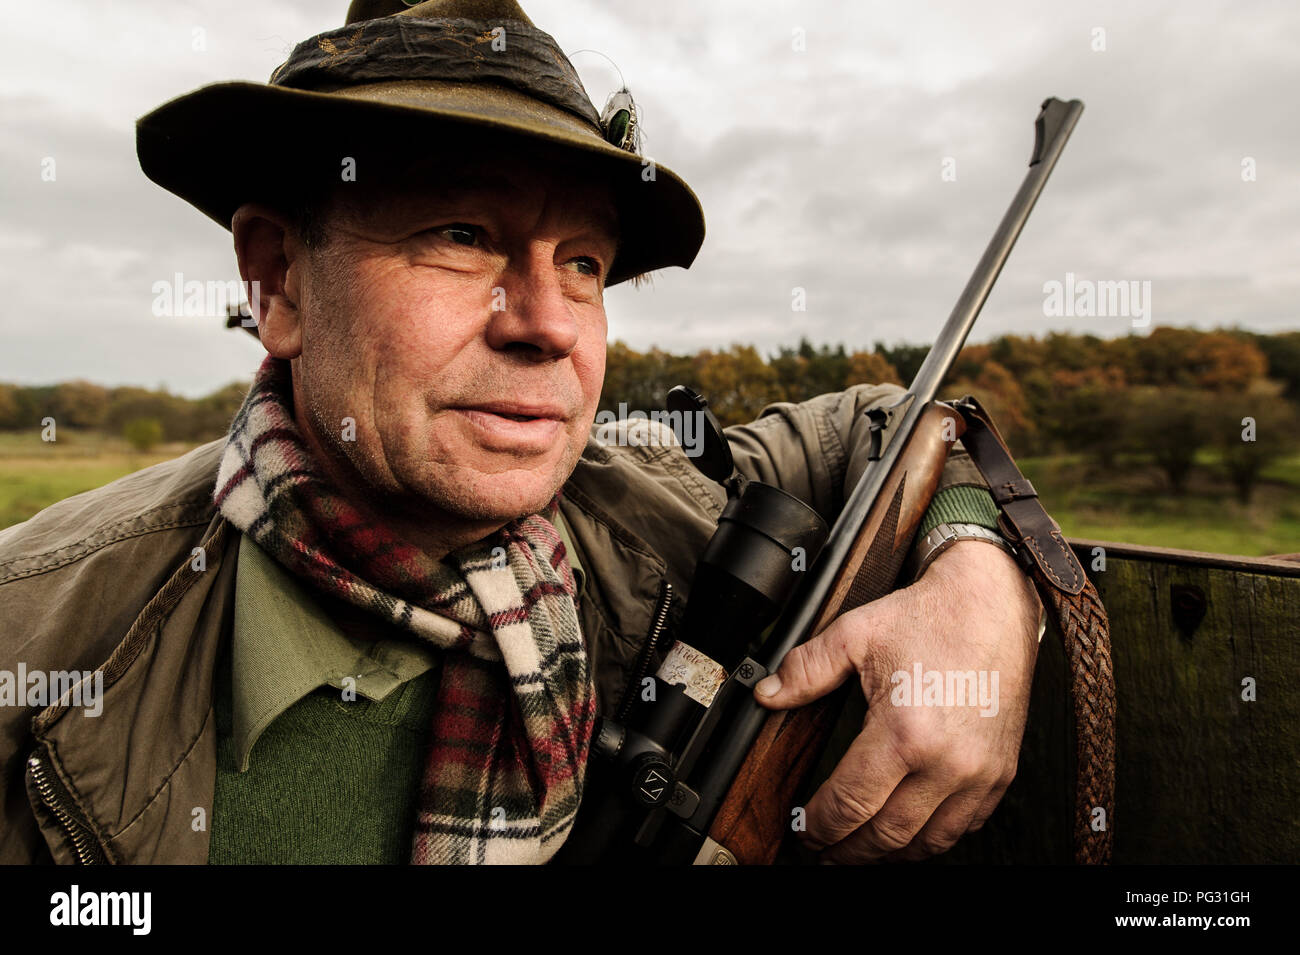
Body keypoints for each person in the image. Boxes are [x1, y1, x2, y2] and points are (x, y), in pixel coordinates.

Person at [0, 0, 1043, 865]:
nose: (547, 324)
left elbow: (893, 427)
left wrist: (977, 581)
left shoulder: (649, 515)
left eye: (583, 263)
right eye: (461, 235)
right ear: (277, 280)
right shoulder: (33, 637)